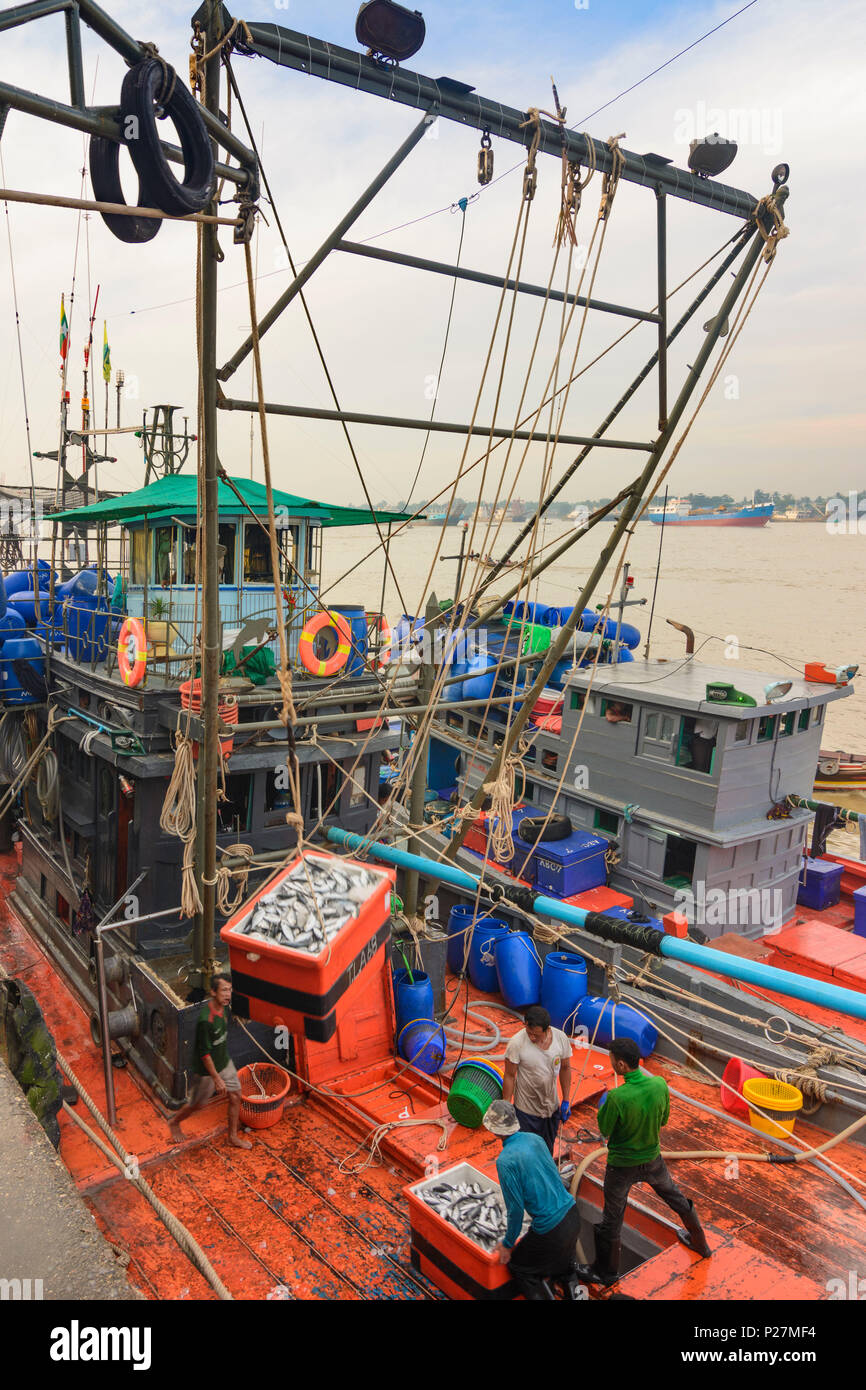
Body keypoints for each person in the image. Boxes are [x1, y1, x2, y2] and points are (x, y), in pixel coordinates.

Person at [577, 1037, 710, 1286]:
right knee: (675, 1197)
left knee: (613, 1217)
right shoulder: (659, 1084)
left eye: (612, 1062)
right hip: (652, 1159)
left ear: (621, 1066)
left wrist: (604, 1108)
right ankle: (700, 1242)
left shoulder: (617, 1097)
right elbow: (663, 1121)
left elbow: (605, 1130)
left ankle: (606, 1273)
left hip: (621, 1166)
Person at [483, 1099, 582, 1300]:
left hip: (551, 1230)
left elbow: (516, 1210)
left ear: (494, 1130)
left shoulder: (505, 1161)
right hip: (573, 1214)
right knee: (564, 1265)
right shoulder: (535, 1139)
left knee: (520, 1267)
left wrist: (508, 1243)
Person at [168, 973, 252, 1150]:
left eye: (230, 990)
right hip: (207, 1070)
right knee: (197, 1104)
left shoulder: (224, 1007)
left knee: (236, 1095)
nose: (228, 995)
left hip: (223, 1060)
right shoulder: (206, 1020)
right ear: (213, 992)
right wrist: (217, 1078)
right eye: (224, 990)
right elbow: (205, 1055)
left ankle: (233, 1137)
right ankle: (175, 1122)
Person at [502, 1004, 572, 1156]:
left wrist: (566, 1099)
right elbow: (509, 1075)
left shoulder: (561, 1039)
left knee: (547, 1151)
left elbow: (565, 1068)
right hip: (526, 1112)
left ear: (547, 1030)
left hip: (551, 1109)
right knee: (526, 1154)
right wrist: (506, 1105)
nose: (532, 1037)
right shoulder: (517, 1043)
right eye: (529, 1032)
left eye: (536, 1035)